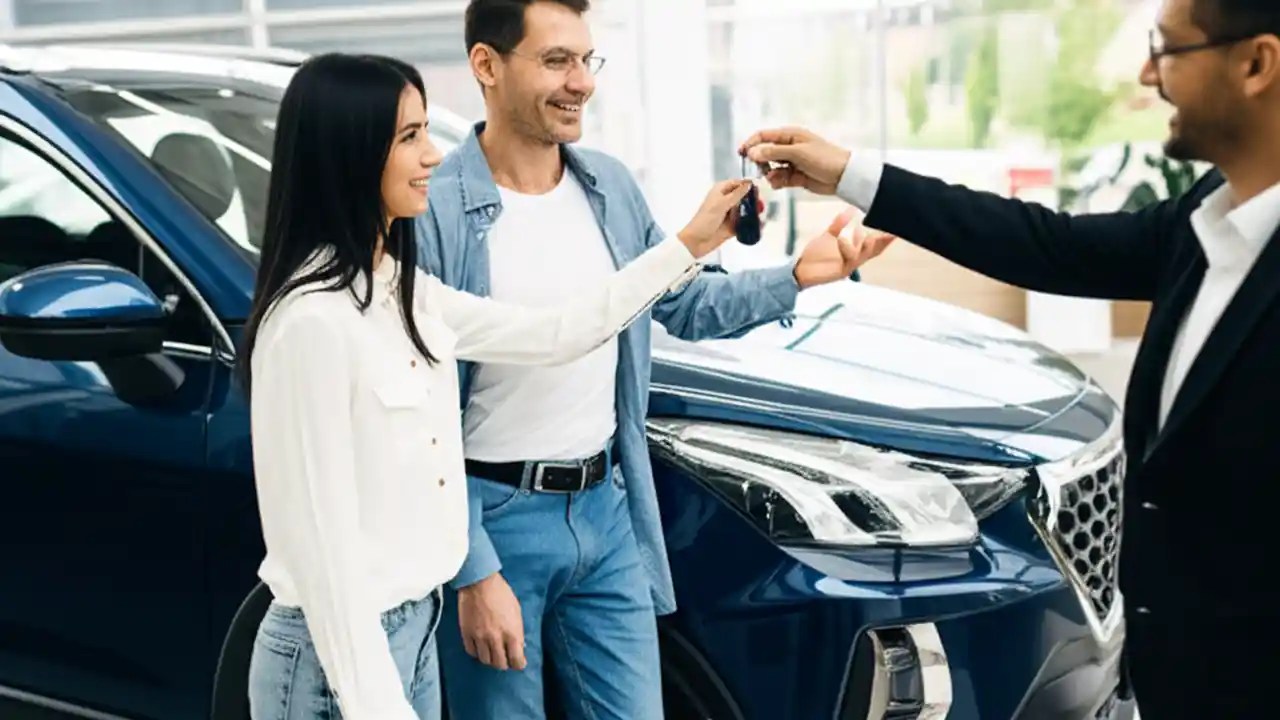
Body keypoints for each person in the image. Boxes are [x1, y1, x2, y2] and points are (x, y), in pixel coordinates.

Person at [741, 0, 1280, 716]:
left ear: (1256, 64)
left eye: (1169, 49)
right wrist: (848, 173)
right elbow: (1042, 243)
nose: (1150, 75)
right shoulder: (1203, 222)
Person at [237, 51, 780, 720]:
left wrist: (690, 243)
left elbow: (558, 333)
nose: (432, 156)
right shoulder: (311, 324)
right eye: (408, 138)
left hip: (409, 630)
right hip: (335, 660)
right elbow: (325, 558)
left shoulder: (401, 291)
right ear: (350, 155)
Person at [415, 2, 896, 718]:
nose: (582, 82)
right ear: (486, 65)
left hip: (607, 511)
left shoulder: (607, 185)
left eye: (586, 60)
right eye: (556, 61)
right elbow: (418, 413)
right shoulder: (434, 212)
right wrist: (471, 569)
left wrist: (796, 275)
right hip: (493, 518)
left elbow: (681, 305)